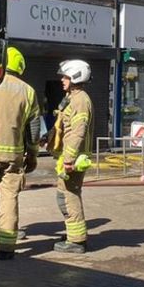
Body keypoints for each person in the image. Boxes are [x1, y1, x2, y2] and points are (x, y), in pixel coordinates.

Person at [0, 47, 41, 261]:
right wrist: (32, 155)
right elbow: (33, 128)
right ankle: (6, 248)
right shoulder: (28, 91)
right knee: (9, 199)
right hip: (14, 157)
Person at [49, 59, 94, 254]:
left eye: (65, 76)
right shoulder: (73, 97)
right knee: (65, 195)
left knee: (69, 196)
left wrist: (68, 159)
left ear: (76, 76)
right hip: (68, 157)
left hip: (73, 159)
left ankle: (76, 241)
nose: (62, 79)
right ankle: (73, 233)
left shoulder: (80, 100)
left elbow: (78, 131)